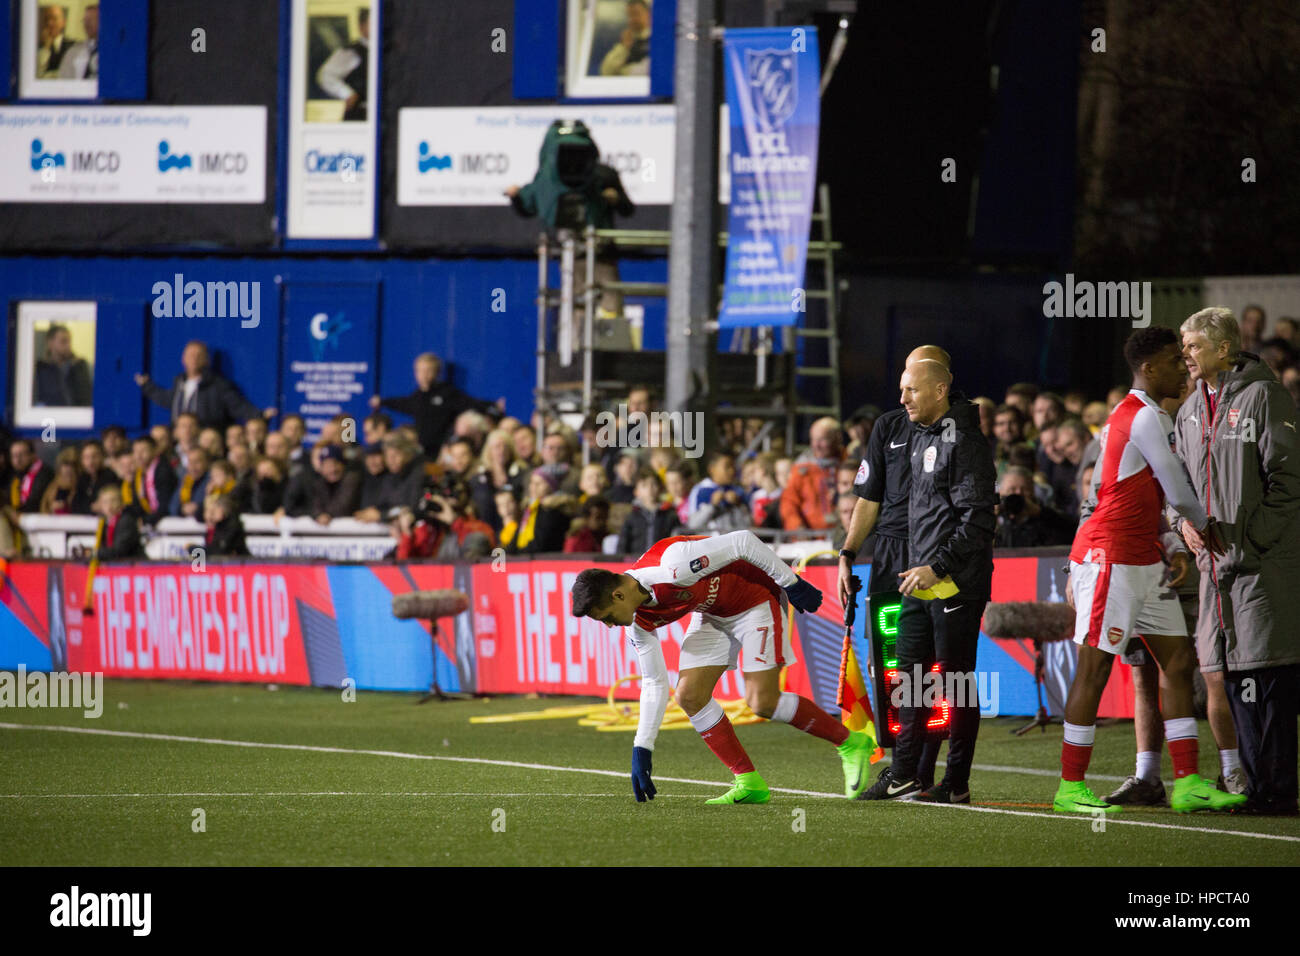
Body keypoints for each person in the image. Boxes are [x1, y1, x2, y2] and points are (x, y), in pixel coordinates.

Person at [1056, 327, 1243, 814]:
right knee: (1094, 668)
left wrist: (1170, 542)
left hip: (1142, 557)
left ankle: (1187, 783)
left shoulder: (1143, 414)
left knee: (1178, 663)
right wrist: (1205, 526)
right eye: (1175, 361)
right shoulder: (1141, 415)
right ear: (1149, 368)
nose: (1184, 368)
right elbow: (1176, 487)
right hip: (1110, 557)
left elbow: (1137, 494)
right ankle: (1069, 787)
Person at [570, 530, 875, 804]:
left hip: (755, 600)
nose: (608, 625)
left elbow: (743, 541)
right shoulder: (637, 623)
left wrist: (791, 583)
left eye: (606, 617)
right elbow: (654, 682)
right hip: (713, 612)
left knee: (762, 702)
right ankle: (749, 782)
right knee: (689, 696)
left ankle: (852, 744)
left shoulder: (673, 566)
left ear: (618, 595)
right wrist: (642, 748)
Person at [1173, 307, 1300, 815]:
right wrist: (1180, 524)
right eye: (1183, 346)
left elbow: (1289, 481)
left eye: (1194, 345)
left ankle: (1278, 790)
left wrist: (1249, 540)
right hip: (1215, 576)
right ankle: (1257, 787)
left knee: (1267, 680)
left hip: (1262, 570)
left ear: (1224, 348)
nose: (1185, 355)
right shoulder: (1189, 410)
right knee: (1235, 681)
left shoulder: (1265, 396)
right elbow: (1177, 486)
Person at [861, 350, 994, 804]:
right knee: (910, 678)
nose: (903, 399)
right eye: (902, 389)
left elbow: (977, 520)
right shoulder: (920, 435)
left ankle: (955, 782)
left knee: (956, 683)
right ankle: (904, 774)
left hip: (955, 582)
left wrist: (936, 566)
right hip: (919, 581)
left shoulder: (966, 441)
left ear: (940, 390)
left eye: (912, 390)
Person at [370, 353, 501, 462]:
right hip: (423, 452)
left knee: (440, 477)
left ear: (437, 373)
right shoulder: (417, 396)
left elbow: (470, 403)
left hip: (445, 452)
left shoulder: (447, 393)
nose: (424, 375)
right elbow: (402, 403)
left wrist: (494, 406)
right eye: (420, 370)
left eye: (428, 370)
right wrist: (382, 402)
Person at [135, 341, 270, 431]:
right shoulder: (179, 383)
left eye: (198, 355)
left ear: (207, 360)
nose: (194, 359)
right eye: (190, 355)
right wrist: (147, 386)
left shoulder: (218, 385)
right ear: (183, 359)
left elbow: (237, 406)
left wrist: (260, 414)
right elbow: (166, 398)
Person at [780, 418, 845, 532]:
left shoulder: (850, 463)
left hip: (844, 534)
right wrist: (797, 527)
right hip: (812, 537)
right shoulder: (802, 468)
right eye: (813, 440)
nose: (816, 445)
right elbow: (789, 502)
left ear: (837, 438)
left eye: (822, 439)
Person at [993, 466, 1074, 548]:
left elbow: (1071, 530)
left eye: (1024, 489)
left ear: (1033, 492)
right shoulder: (996, 520)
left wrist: (1040, 513)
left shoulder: (1046, 517)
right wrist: (992, 516)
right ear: (1001, 493)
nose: (1018, 493)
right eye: (1012, 489)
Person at [315, 7, 369, 121]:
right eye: (371, 23)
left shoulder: (385, 51)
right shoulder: (353, 51)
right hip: (360, 116)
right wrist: (347, 94)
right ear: (362, 26)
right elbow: (326, 75)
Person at [617, 468, 680, 555]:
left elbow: (677, 543)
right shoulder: (632, 516)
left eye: (653, 484)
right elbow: (622, 545)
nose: (650, 489)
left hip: (662, 561)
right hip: (636, 560)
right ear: (636, 491)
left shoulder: (670, 514)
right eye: (644, 485)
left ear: (660, 488)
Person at [686, 452, 749, 532]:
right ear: (712, 469)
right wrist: (712, 505)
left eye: (733, 466)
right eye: (727, 467)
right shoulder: (700, 490)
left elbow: (749, 524)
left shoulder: (738, 490)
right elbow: (693, 524)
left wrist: (738, 504)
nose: (732, 471)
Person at [34, 324, 92, 407]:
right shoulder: (41, 368)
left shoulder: (78, 366)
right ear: (50, 343)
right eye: (63, 341)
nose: (68, 346)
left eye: (69, 342)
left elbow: (86, 397)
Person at [599, 0, 652, 76]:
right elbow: (606, 71)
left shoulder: (658, 39)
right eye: (630, 15)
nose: (633, 19)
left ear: (648, 14)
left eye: (636, 13)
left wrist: (623, 72)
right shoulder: (627, 41)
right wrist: (624, 47)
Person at [91, 484, 142, 561]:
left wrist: (95, 553)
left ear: (121, 502)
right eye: (105, 502)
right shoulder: (104, 523)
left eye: (113, 501)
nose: (109, 505)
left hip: (133, 565)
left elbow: (119, 551)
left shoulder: (126, 521)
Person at [57, 3, 97, 79]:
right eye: (85, 20)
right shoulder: (73, 52)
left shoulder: (112, 51)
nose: (87, 24)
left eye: (92, 19)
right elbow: (63, 79)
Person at [38, 4, 72, 77]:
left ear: (63, 22)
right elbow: (37, 73)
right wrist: (45, 48)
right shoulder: (36, 46)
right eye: (46, 19)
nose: (49, 23)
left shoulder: (72, 46)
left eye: (54, 18)